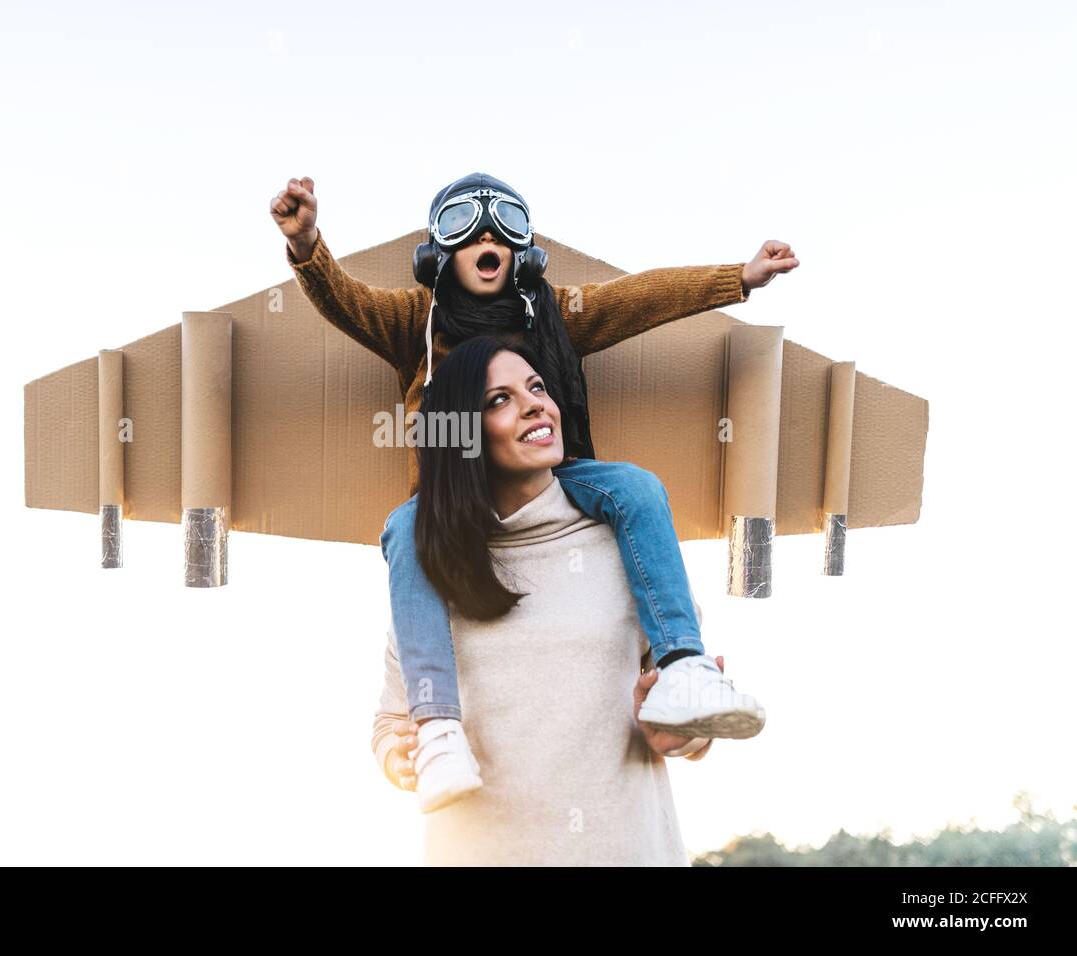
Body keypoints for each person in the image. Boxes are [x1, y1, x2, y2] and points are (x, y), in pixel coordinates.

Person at [271, 172, 796, 813]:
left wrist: (737, 277)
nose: (487, 238)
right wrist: (307, 245)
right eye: (467, 226)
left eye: (505, 229)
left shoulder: (549, 313)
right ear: (439, 253)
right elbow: (344, 301)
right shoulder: (417, 320)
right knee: (405, 527)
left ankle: (684, 667)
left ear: (524, 252)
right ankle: (439, 727)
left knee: (634, 487)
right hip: (455, 496)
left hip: (557, 472)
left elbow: (640, 297)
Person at [371, 336, 726, 865]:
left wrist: (684, 730)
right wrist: (396, 757)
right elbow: (389, 723)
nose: (536, 403)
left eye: (537, 387)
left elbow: (690, 729)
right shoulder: (425, 576)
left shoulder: (628, 547)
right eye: (499, 399)